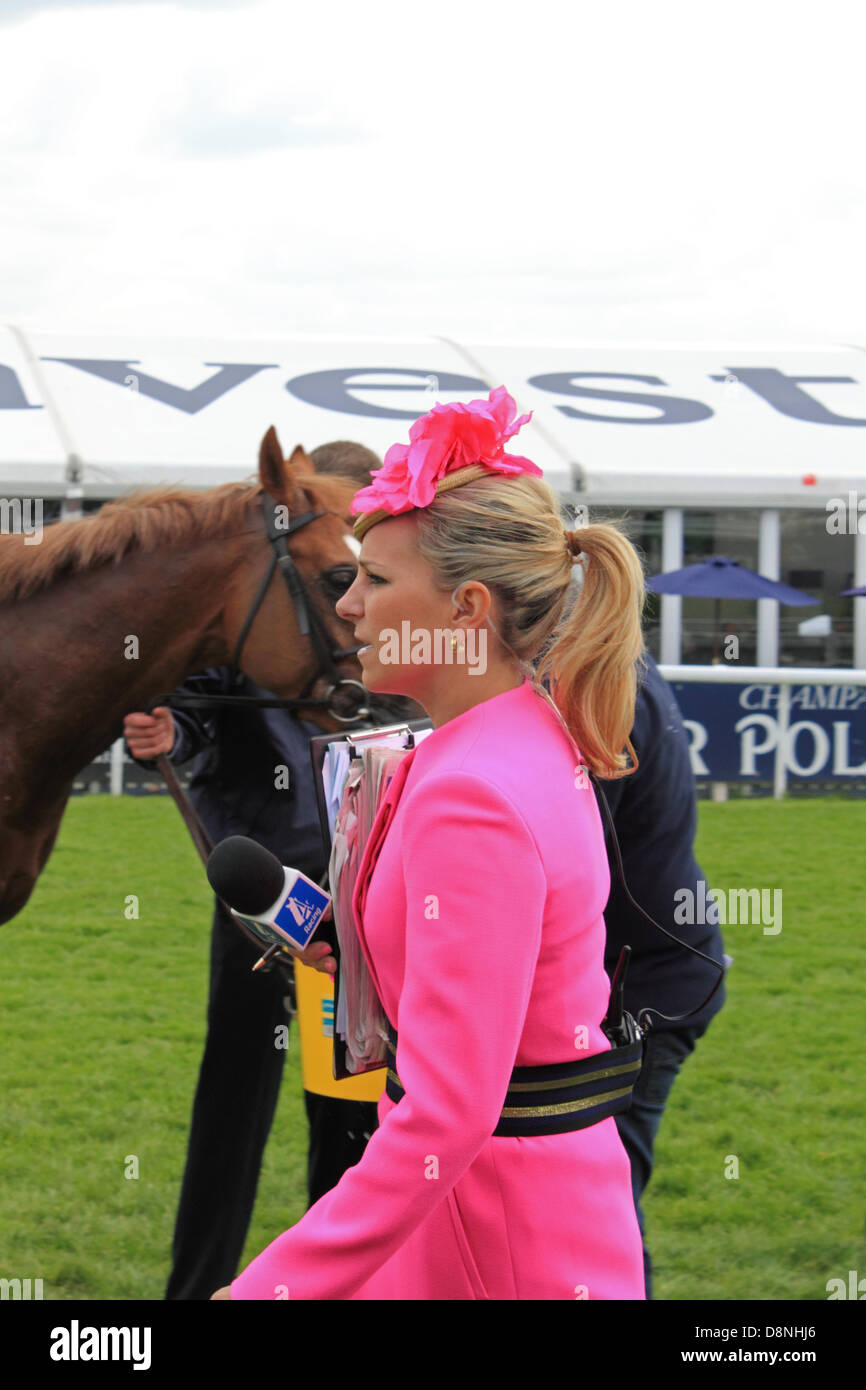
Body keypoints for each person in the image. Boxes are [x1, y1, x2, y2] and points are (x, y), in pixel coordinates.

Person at [215, 385, 648, 1300]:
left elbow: (446, 1114)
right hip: (513, 1212)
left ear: (466, 609)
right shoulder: (522, 735)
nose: (350, 609)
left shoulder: (471, 792)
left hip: (492, 1238)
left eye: (375, 580)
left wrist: (269, 1289)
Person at [123, 441, 388, 1301]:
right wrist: (173, 736)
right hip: (261, 889)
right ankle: (194, 1290)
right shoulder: (261, 600)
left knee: (349, 1109)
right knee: (234, 1096)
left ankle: (340, 1283)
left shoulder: (375, 607)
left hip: (354, 894)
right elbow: (195, 707)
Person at [598, 652, 726, 1298]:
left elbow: (557, 879)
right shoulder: (616, 665)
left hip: (647, 991)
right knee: (597, 1201)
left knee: (599, 1207)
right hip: (663, 975)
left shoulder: (595, 689)